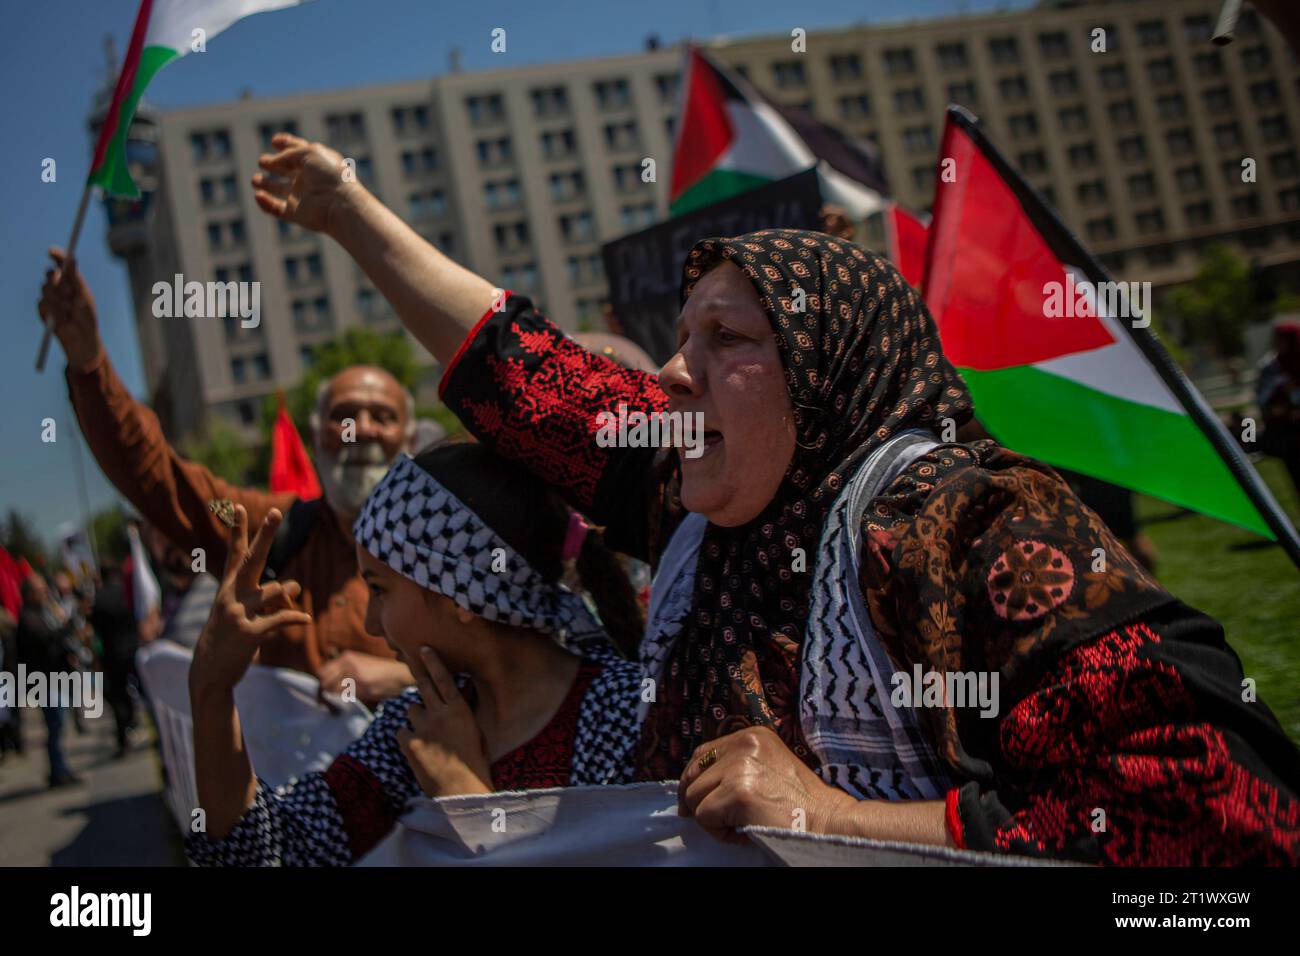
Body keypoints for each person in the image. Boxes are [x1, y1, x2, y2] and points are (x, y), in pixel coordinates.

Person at [246, 132, 1300, 865]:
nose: (669, 370)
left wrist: (836, 817)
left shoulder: (977, 524)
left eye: (728, 340)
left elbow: (1214, 816)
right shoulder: (704, 517)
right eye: (680, 333)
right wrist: (347, 210)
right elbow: (532, 376)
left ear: (825, 374)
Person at [186, 441, 644, 866]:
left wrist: (465, 796)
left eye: (380, 590)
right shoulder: (419, 723)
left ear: (461, 594)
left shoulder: (622, 714)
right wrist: (211, 689)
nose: (369, 624)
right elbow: (269, 854)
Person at [37, 259, 416, 705]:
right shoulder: (272, 528)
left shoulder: (448, 539)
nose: (363, 429)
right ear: (315, 437)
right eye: (344, 416)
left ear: (410, 437)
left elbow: (505, 666)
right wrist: (88, 361)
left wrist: (401, 678)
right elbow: (165, 482)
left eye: (383, 416)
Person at [16, 576, 82, 787]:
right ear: (29, 594)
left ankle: (60, 768)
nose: (45, 593)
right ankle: (57, 771)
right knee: (55, 725)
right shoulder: (28, 617)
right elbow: (47, 639)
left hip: (53, 678)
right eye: (40, 590)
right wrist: (68, 626)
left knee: (58, 726)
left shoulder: (43, 613)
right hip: (43, 681)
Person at [88, 565, 143, 758]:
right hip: (134, 650)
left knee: (119, 697)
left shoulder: (99, 600)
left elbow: (95, 633)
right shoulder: (127, 592)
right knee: (143, 691)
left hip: (112, 656)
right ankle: (141, 722)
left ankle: (124, 736)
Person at [1256, 319, 1300, 498]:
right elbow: (1261, 399)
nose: (1278, 344)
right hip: (1288, 434)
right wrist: (1275, 410)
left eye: (1283, 339)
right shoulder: (1271, 367)